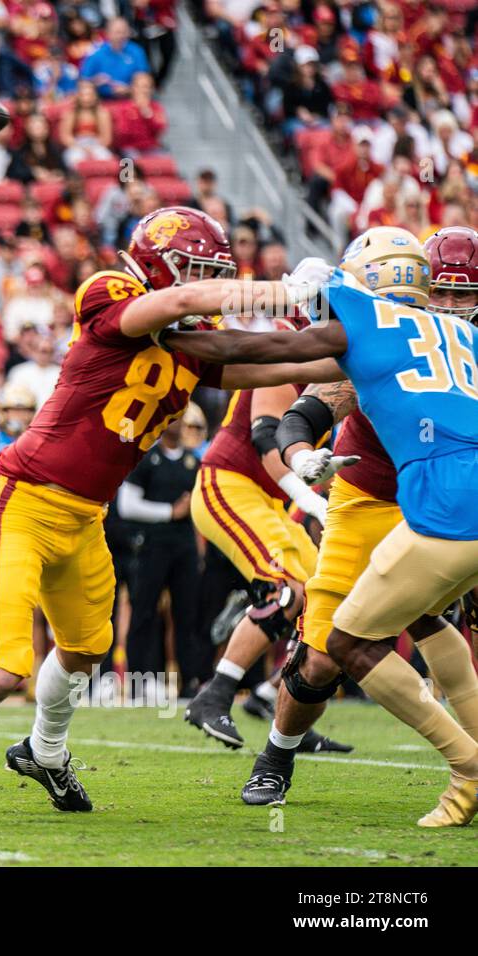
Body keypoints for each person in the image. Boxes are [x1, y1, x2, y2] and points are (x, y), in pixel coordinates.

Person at [0, 206, 339, 822]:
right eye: (194, 271)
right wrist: (280, 288)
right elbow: (176, 306)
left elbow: (266, 354)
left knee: (85, 649)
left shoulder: (184, 342)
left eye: (209, 276)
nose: (203, 289)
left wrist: (358, 355)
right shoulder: (109, 290)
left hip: (84, 517)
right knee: (2, 669)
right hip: (20, 500)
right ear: (160, 264)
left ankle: (45, 751)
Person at [158, 230, 478, 827]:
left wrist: (164, 331)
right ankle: (277, 752)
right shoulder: (410, 334)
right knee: (326, 653)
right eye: (449, 295)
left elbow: (268, 335)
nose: (457, 307)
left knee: (397, 629)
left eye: (468, 297)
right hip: (371, 498)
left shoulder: (402, 327)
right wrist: (303, 456)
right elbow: (300, 405)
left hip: (433, 504)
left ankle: (469, 766)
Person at [182, 355, 348, 752]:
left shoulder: (344, 367)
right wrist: (310, 501)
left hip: (270, 502)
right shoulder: (292, 351)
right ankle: (215, 694)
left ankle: (278, 695)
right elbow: (265, 437)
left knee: (332, 598)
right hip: (230, 483)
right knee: (287, 588)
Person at [116, 416, 204, 697]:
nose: (181, 426)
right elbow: (127, 506)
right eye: (177, 420)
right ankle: (139, 679)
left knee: (187, 613)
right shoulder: (145, 458)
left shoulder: (193, 461)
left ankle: (190, 681)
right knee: (144, 611)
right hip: (151, 545)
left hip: (185, 545)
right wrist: (169, 512)